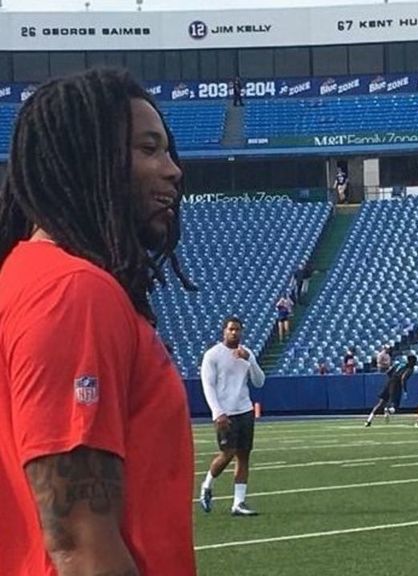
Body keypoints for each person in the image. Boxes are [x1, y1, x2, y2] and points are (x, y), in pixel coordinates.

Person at [0, 68, 197, 574]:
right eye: (149, 149)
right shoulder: (72, 291)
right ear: (87, 159)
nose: (172, 170)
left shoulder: (25, 276)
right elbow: (81, 546)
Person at [199, 316, 265, 516]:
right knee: (227, 453)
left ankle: (238, 502)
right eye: (231, 329)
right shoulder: (213, 355)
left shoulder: (246, 353)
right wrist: (217, 411)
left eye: (237, 329)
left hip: (244, 410)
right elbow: (208, 386)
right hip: (225, 413)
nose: (234, 333)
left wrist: (249, 360)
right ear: (224, 331)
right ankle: (207, 485)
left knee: (243, 456)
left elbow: (259, 381)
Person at [364, 354, 417, 427]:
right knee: (395, 405)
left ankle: (368, 420)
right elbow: (403, 378)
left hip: (390, 382)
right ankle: (387, 409)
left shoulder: (399, 364)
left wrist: (392, 379)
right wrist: (405, 390)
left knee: (380, 403)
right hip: (396, 385)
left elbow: (388, 372)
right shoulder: (410, 369)